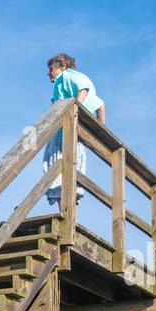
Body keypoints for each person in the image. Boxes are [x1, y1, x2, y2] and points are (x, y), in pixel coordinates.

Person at [43, 53, 105, 207]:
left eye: (51, 69)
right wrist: (100, 129)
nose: (48, 73)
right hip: (67, 132)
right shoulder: (60, 84)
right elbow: (100, 105)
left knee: (58, 167)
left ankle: (67, 210)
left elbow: (83, 89)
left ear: (62, 66)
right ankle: (65, 209)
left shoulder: (67, 76)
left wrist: (75, 107)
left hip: (67, 131)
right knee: (61, 168)